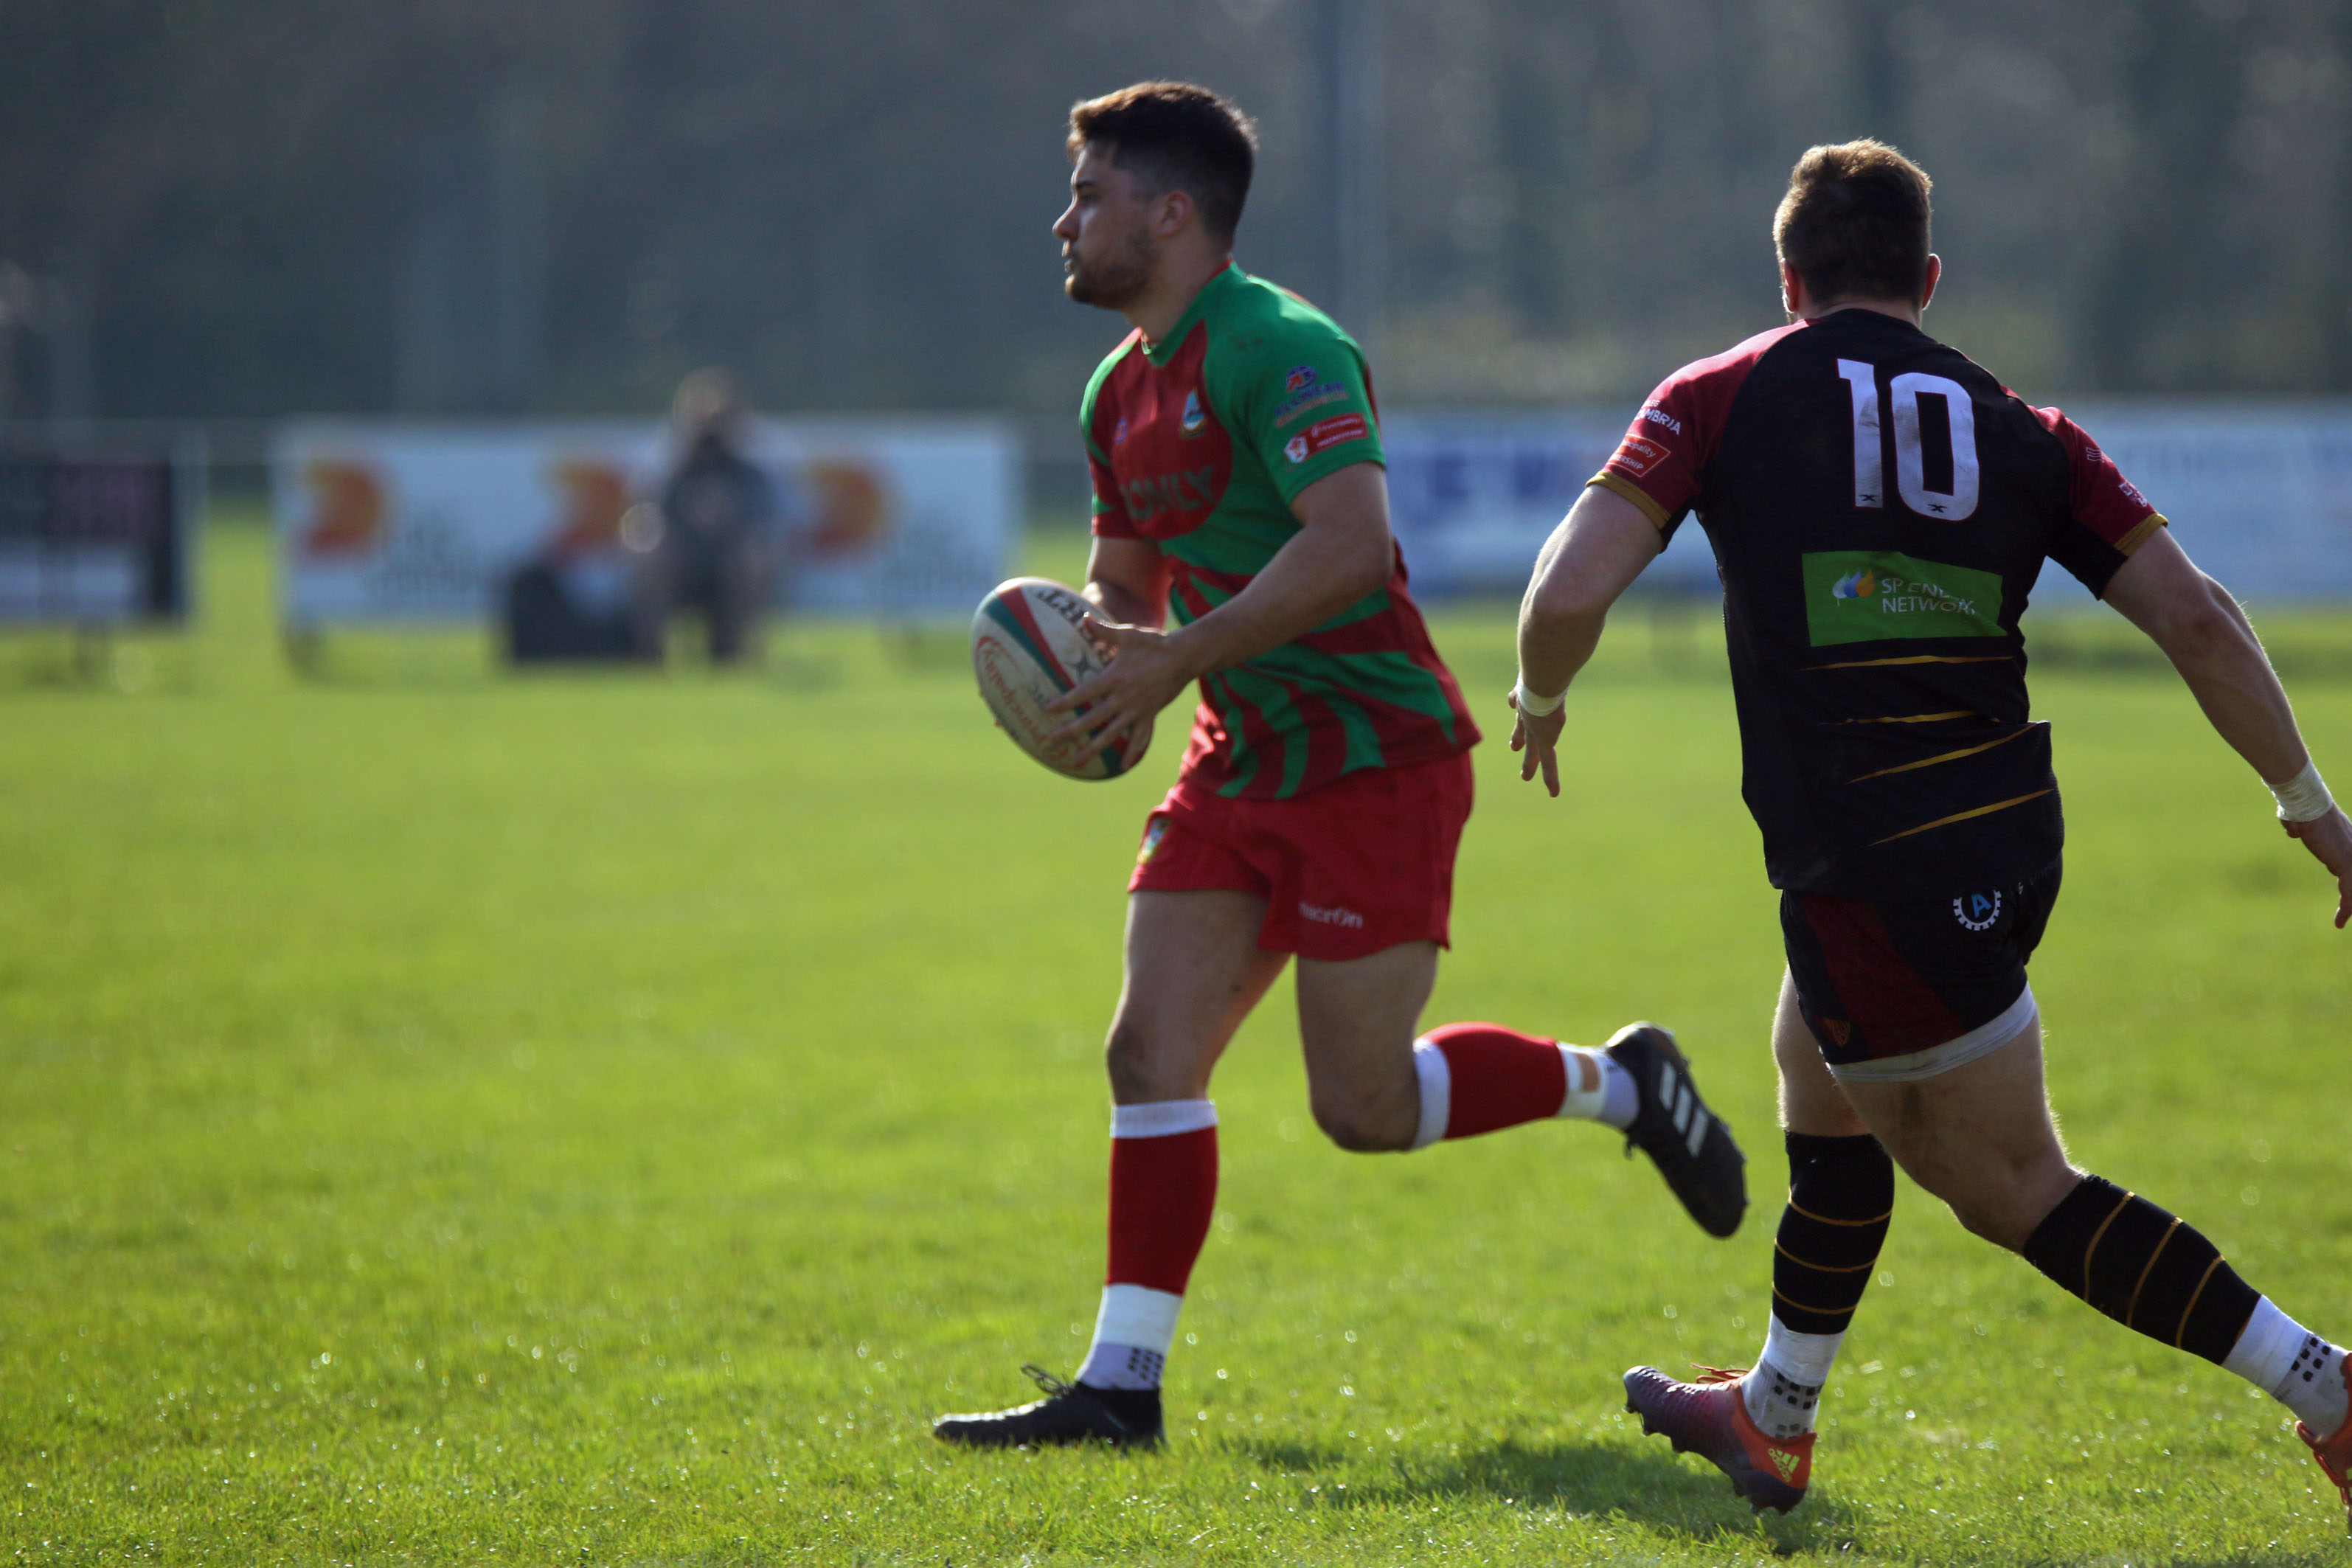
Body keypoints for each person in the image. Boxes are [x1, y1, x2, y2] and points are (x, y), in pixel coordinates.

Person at [1505, 139, 2352, 1527]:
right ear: (1929, 278)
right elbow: (2195, 616)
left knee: (2012, 1183)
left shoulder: (1721, 394)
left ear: (1788, 280)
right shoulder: (2020, 425)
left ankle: (2321, 1384)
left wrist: (1539, 691)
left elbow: (1568, 584)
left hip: (1874, 865)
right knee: (1811, 1057)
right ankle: (1774, 1414)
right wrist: (2307, 803)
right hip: (2001, 838)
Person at [931, 81, 1748, 1451]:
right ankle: (1120, 1388)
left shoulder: (1280, 345)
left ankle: (1615, 1079)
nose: (1061, 220)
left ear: (1171, 213)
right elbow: (1121, 584)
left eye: (1087, 195)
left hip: (1374, 757)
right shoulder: (1111, 391)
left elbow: (1349, 545)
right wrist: (1095, 677)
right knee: (1147, 1051)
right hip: (1236, 756)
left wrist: (1175, 655)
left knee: (1361, 1110)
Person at [634, 367, 788, 664]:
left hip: (732, 563)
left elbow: (771, 521)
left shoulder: (755, 467)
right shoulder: (669, 466)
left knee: (756, 556)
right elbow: (647, 514)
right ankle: (650, 652)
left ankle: (736, 648)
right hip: (684, 562)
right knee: (649, 551)